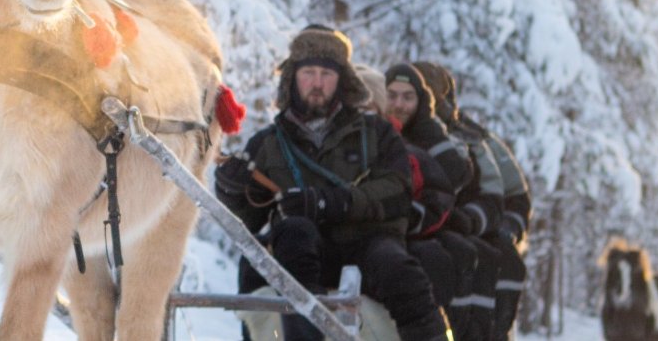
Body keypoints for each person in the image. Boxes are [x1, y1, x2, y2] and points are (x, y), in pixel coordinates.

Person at [215, 26, 449, 341]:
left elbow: (396, 190)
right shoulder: (268, 143)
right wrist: (232, 189)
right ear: (292, 78)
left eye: (326, 74)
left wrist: (331, 202)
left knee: (401, 271)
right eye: (308, 72)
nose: (317, 83)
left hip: (368, 244)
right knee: (293, 232)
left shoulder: (376, 133)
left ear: (342, 81)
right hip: (301, 250)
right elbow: (250, 219)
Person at [415, 61, 532, 341]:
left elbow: (512, 193)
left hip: (476, 228)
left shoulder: (476, 139)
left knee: (499, 261)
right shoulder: (396, 128)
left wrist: (500, 227)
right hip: (432, 228)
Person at [384, 63, 492, 339]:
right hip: (389, 229)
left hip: (429, 224)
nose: (399, 104)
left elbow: (459, 177)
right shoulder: (375, 131)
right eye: (392, 96)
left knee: (470, 254)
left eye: (407, 97)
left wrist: (469, 217)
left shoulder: (438, 132)